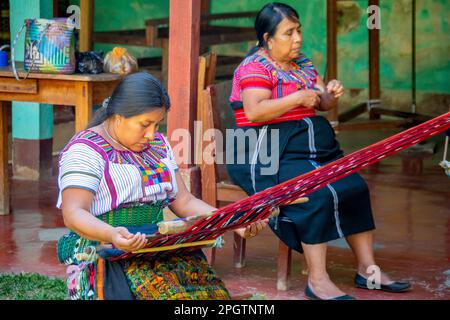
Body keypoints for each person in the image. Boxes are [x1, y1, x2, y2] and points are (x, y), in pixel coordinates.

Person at [226, 2, 411, 300]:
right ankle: (318, 280)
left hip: (305, 147)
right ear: (267, 39)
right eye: (288, 33)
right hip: (264, 152)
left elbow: (321, 103)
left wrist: (330, 95)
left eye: (298, 30)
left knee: (354, 187)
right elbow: (255, 112)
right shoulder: (254, 68)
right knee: (315, 194)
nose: (297, 38)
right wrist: (299, 97)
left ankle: (368, 269)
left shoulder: (303, 63)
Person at [56, 72, 268, 300]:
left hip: (155, 246)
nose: (152, 134)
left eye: (157, 124)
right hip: (107, 252)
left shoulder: (158, 145)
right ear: (118, 116)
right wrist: (112, 234)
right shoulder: (85, 150)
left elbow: (184, 201)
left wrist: (233, 221)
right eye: (144, 124)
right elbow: (73, 212)